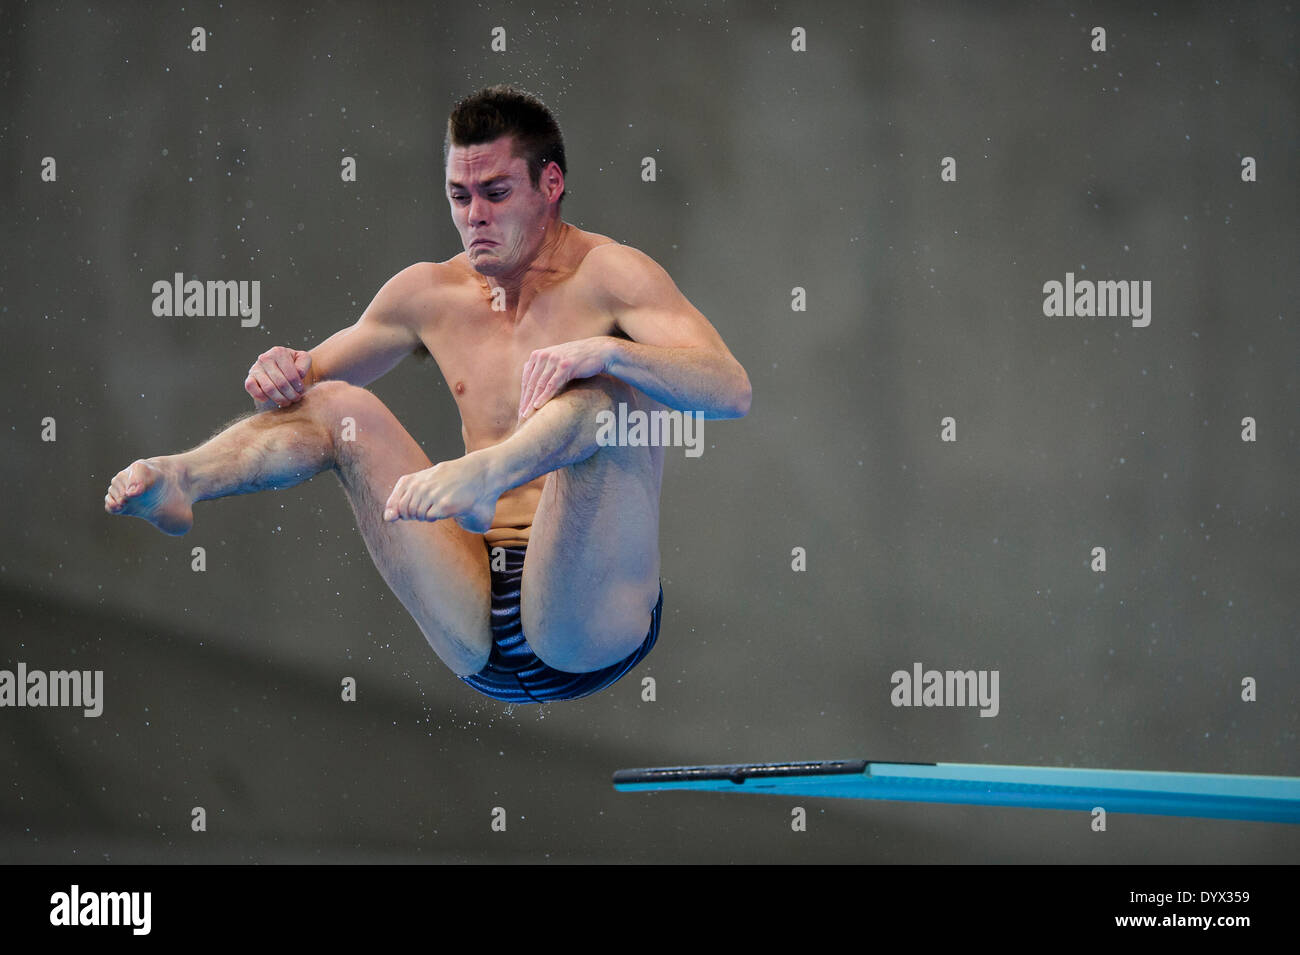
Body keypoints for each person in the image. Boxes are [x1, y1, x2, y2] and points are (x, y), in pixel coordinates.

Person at [104, 85, 751, 703]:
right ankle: (183, 479)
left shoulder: (612, 274)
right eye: (459, 195)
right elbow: (307, 380)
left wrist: (608, 349)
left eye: (496, 193)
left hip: (586, 623)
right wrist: (283, 369)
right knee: (336, 408)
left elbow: (730, 389)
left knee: (605, 396)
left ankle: (485, 475)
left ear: (550, 184)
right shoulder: (428, 293)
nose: (475, 217)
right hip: (471, 621)